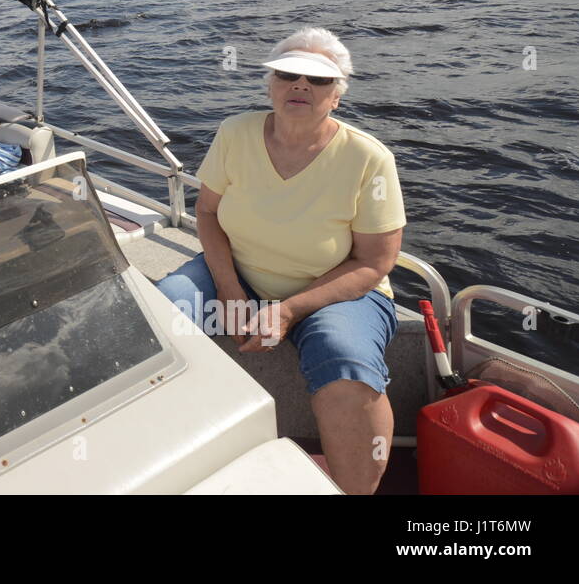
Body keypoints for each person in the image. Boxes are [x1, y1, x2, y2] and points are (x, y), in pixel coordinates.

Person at [155, 27, 405, 495]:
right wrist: (230, 292)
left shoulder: (369, 159)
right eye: (289, 74)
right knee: (163, 313)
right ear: (269, 84)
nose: (301, 86)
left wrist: (290, 311)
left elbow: (374, 263)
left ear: (338, 96)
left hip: (337, 292)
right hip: (238, 273)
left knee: (345, 360)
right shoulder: (235, 132)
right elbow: (206, 212)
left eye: (319, 80)